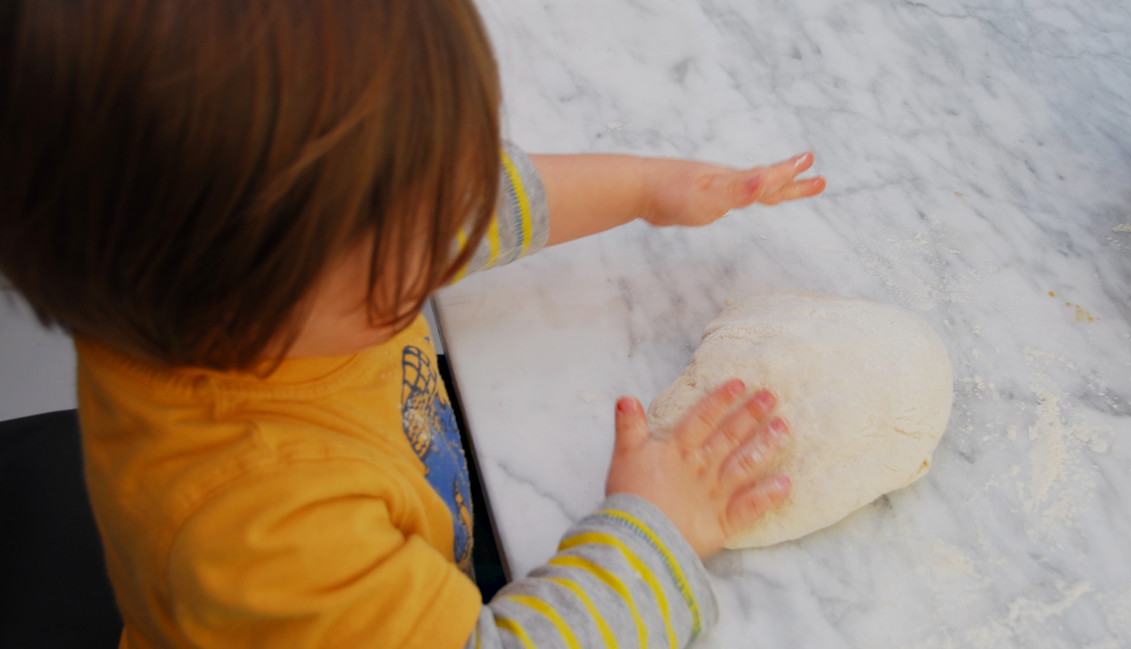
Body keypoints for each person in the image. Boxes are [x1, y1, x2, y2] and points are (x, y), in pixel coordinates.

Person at [0, 1, 825, 647]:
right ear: (237, 290)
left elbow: (454, 211)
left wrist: (646, 189)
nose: (452, 219)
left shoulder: (209, 281)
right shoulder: (267, 529)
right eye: (410, 227)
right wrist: (655, 533)